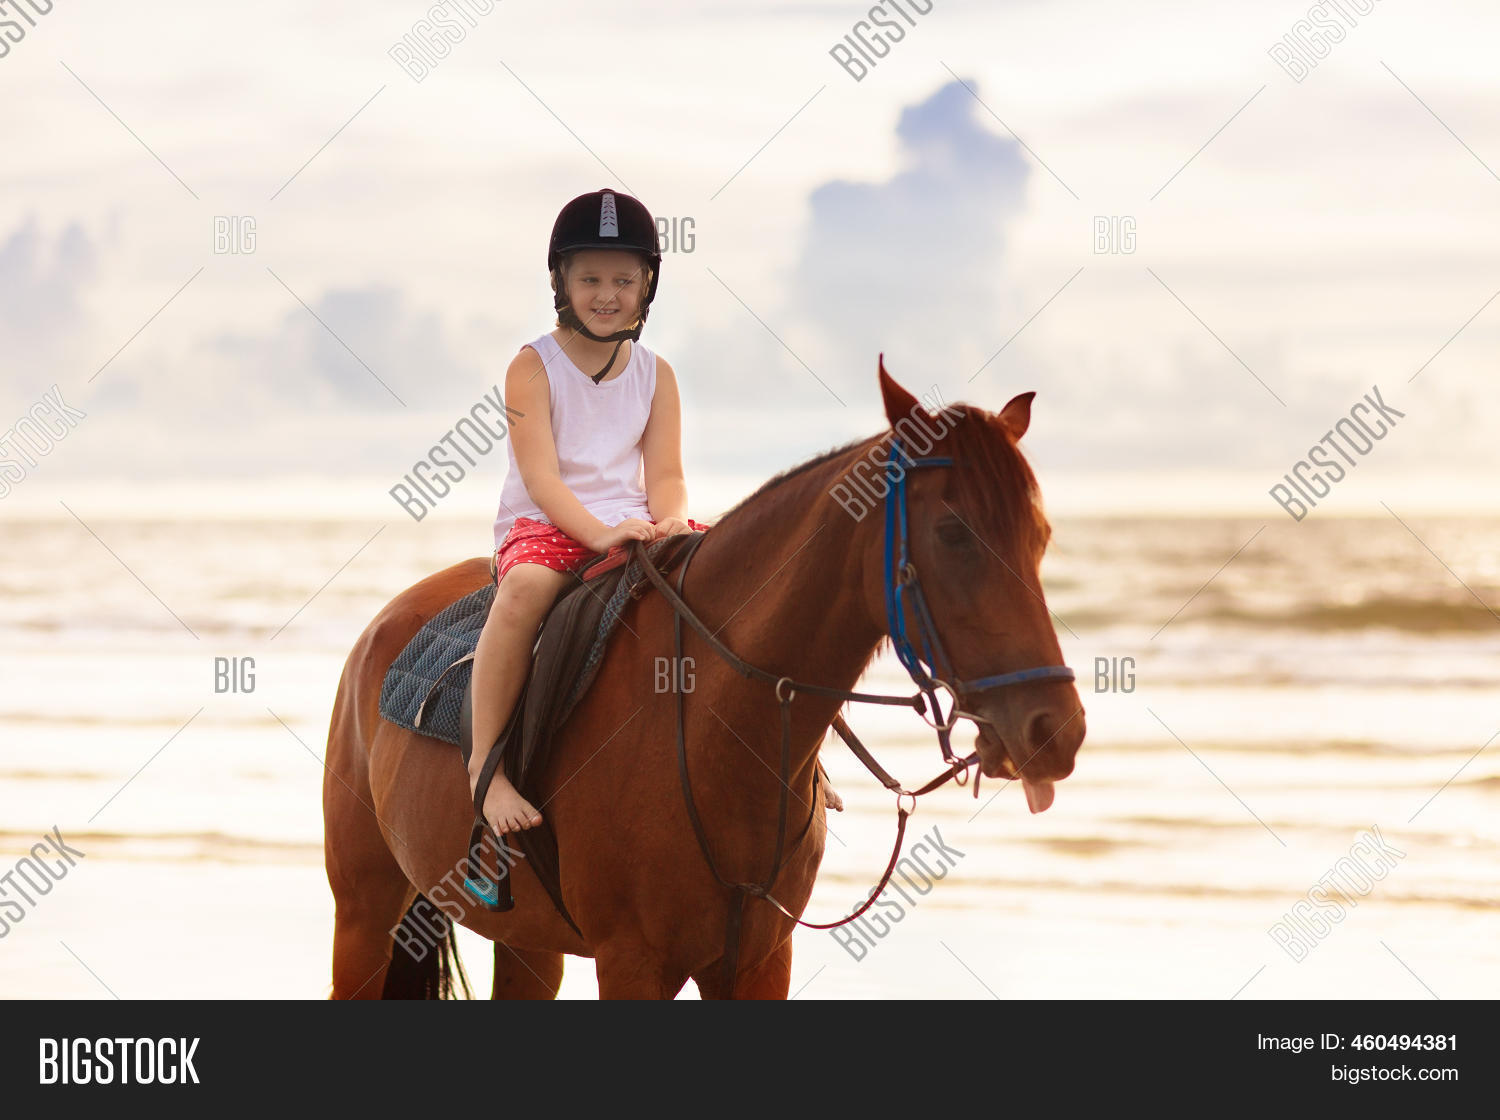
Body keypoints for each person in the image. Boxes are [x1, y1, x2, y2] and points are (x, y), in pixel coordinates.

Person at [468, 188, 710, 836]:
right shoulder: (532, 366)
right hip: (548, 523)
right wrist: (601, 535)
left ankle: (802, 762)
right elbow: (543, 479)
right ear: (561, 281)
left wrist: (674, 523)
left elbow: (665, 474)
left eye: (623, 280)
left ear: (647, 285)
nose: (608, 294)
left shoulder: (657, 373)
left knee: (749, 574)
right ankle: (485, 772)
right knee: (521, 593)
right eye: (591, 279)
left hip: (632, 516)